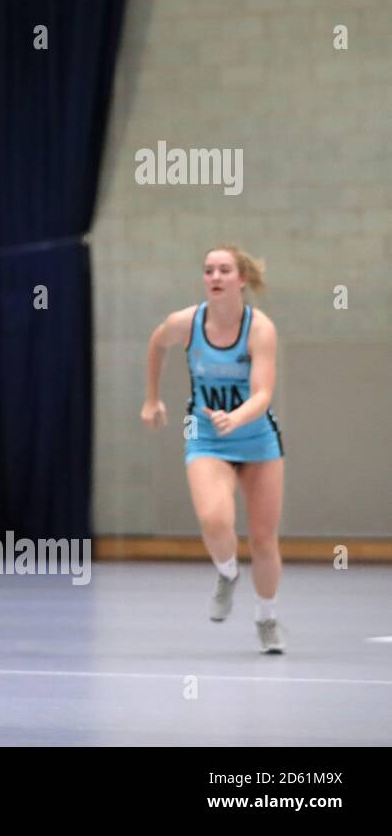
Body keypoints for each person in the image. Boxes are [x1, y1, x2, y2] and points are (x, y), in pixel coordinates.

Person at [141, 245, 285, 653]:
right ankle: (226, 572)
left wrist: (236, 418)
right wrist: (152, 399)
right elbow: (156, 343)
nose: (215, 277)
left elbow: (262, 394)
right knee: (214, 519)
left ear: (241, 279)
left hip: (256, 437)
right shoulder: (186, 323)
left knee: (263, 539)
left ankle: (267, 618)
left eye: (224, 270)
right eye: (209, 271)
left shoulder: (260, 329)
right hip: (205, 435)